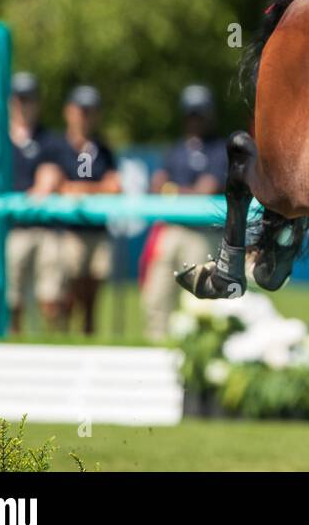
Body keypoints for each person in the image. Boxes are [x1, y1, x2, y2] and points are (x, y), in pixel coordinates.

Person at [30, 85, 120, 335]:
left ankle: (82, 347)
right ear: (69, 111)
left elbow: (114, 187)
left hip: (96, 232)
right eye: (81, 110)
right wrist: (92, 188)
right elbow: (52, 184)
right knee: (61, 298)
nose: (85, 116)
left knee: (90, 300)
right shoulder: (55, 146)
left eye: (90, 111)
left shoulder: (103, 149)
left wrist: (76, 189)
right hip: (65, 233)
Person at [141, 85, 228, 340]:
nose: (194, 120)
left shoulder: (219, 149)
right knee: (157, 295)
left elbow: (205, 190)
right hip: (171, 230)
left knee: (200, 302)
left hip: (202, 233)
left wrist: (171, 190)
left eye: (199, 114)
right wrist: (174, 190)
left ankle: (198, 352)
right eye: (191, 114)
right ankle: (156, 344)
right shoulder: (176, 149)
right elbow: (156, 185)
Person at [4, 72, 68, 333]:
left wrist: (45, 184)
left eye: (28, 99)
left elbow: (50, 180)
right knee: (12, 301)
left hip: (45, 228)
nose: (23, 105)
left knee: (50, 298)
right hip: (12, 229)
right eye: (19, 99)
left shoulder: (50, 140)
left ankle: (54, 352)